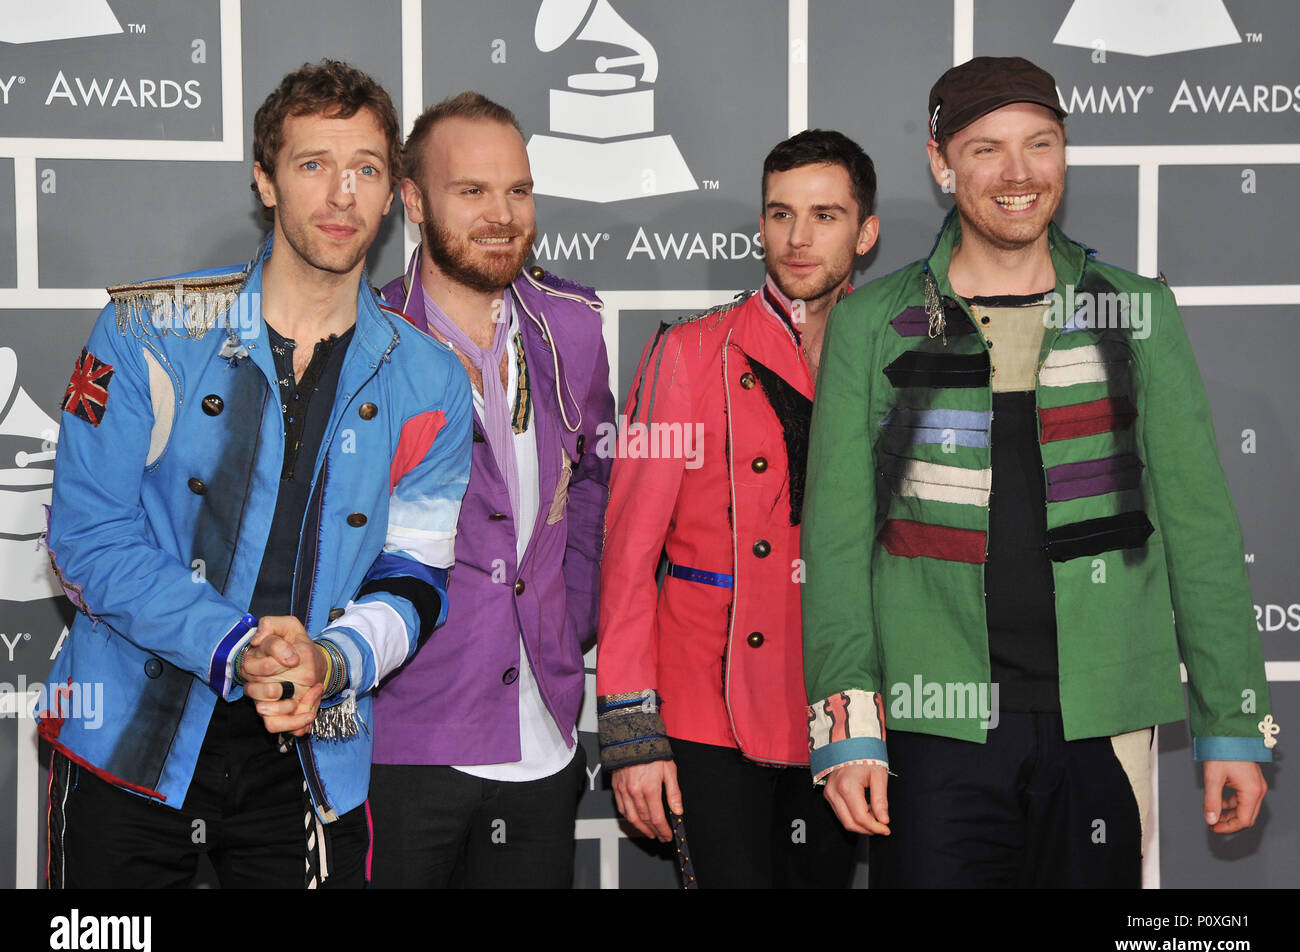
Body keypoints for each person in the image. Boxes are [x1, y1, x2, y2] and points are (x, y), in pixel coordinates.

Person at [802, 56, 1277, 888]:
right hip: (932, 727)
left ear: (1064, 154)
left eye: (1040, 144)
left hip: (1104, 724)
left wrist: (1231, 720)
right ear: (942, 163)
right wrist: (848, 725)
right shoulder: (873, 324)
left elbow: (1200, 531)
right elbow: (837, 547)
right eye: (987, 149)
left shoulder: (1135, 312)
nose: (1018, 174)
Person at [41, 60, 472, 888]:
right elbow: (86, 541)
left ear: (392, 196)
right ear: (264, 182)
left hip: (310, 754)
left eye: (366, 170)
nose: (342, 194)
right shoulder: (144, 330)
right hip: (128, 736)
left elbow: (417, 574)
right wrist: (236, 644)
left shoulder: (435, 382)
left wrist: (332, 661)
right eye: (314, 165)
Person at [596, 130, 879, 887]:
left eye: (825, 214)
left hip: (845, 706)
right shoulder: (687, 352)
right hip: (706, 712)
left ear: (866, 231)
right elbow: (627, 557)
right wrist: (633, 734)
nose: (797, 237)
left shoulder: (893, 356)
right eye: (780, 213)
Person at [368, 92, 613, 888]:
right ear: (412, 199)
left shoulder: (572, 326)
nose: (502, 214)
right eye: (471, 191)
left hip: (542, 731)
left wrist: (571, 615)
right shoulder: (364, 340)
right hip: (401, 733)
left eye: (518, 190)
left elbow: (594, 488)